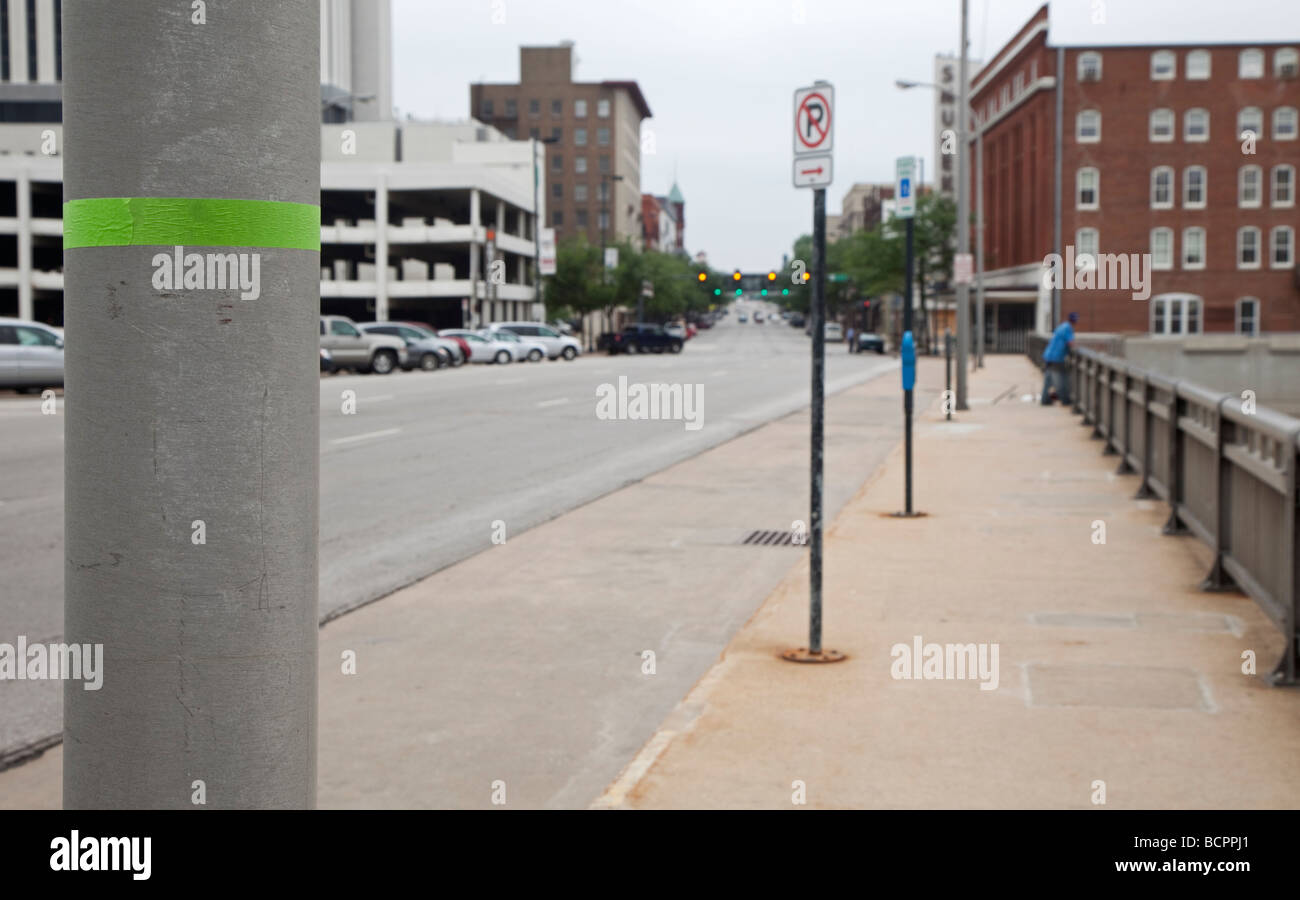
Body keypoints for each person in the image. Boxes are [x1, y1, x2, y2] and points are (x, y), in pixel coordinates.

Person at [1041, 312, 1077, 405]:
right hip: (1057, 358)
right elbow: (1070, 342)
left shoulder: (1061, 326)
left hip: (1048, 356)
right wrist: (1076, 348)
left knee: (1048, 379)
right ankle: (1065, 400)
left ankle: (1045, 400)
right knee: (1060, 380)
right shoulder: (1068, 328)